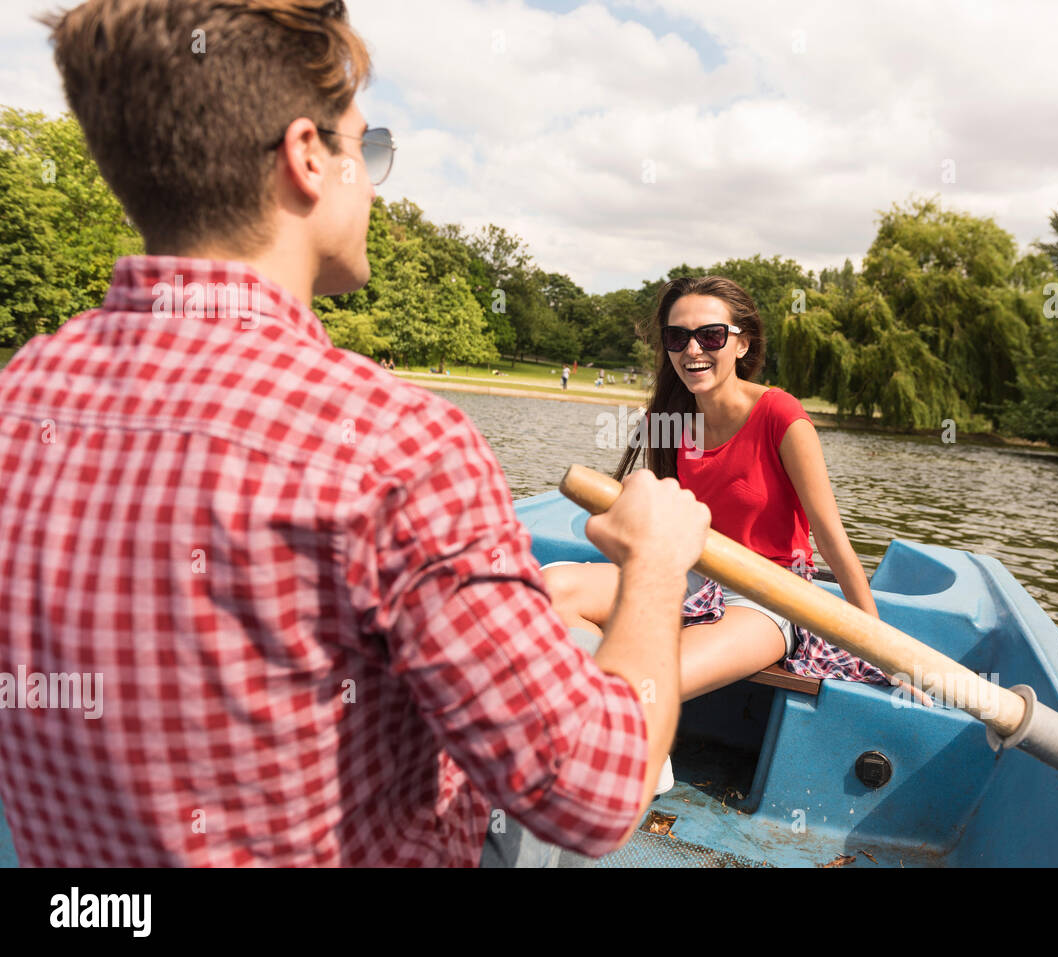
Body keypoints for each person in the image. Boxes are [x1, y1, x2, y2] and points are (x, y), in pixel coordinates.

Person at [0, 0, 710, 868]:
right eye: (366, 150)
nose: (372, 182)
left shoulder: (18, 396)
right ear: (307, 158)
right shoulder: (396, 446)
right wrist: (657, 563)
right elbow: (594, 795)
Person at [544, 276, 929, 790]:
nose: (693, 350)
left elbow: (832, 540)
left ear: (742, 343)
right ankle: (634, 734)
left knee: (646, 682)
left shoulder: (780, 415)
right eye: (677, 338)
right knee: (545, 592)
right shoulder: (674, 420)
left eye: (711, 336)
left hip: (767, 596)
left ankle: (631, 733)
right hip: (688, 576)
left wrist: (882, 650)